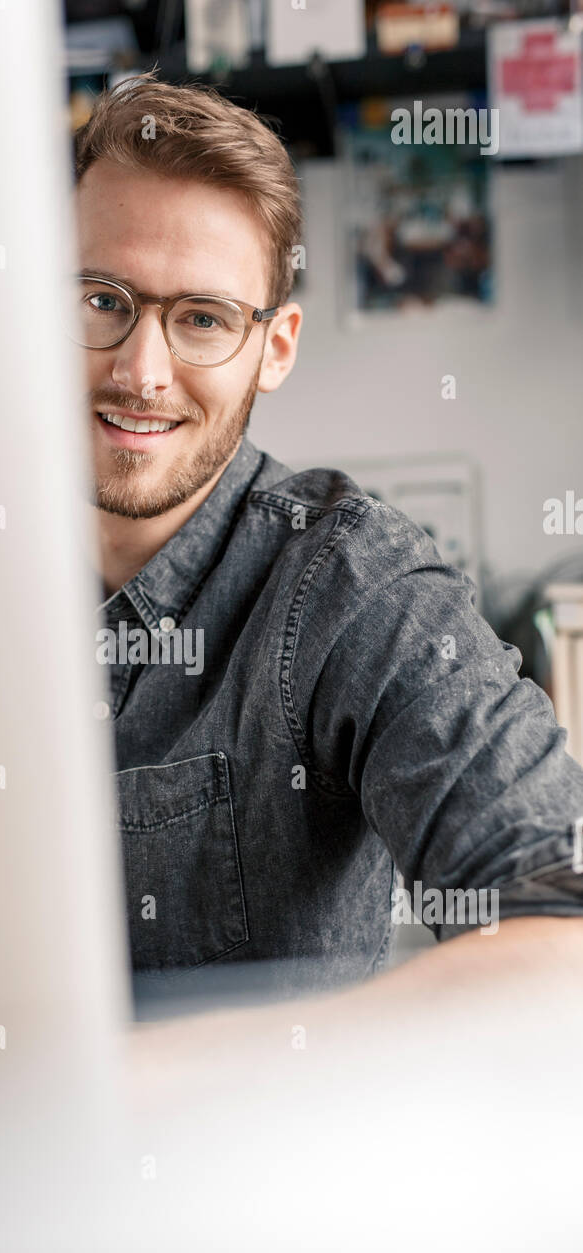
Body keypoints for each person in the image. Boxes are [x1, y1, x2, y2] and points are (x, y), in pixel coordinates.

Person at [71, 74, 583, 1009]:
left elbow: (558, 926)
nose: (142, 372)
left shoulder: (356, 586)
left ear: (275, 346)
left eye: (202, 320)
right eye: (103, 300)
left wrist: (142, 1086)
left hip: (244, 1151)